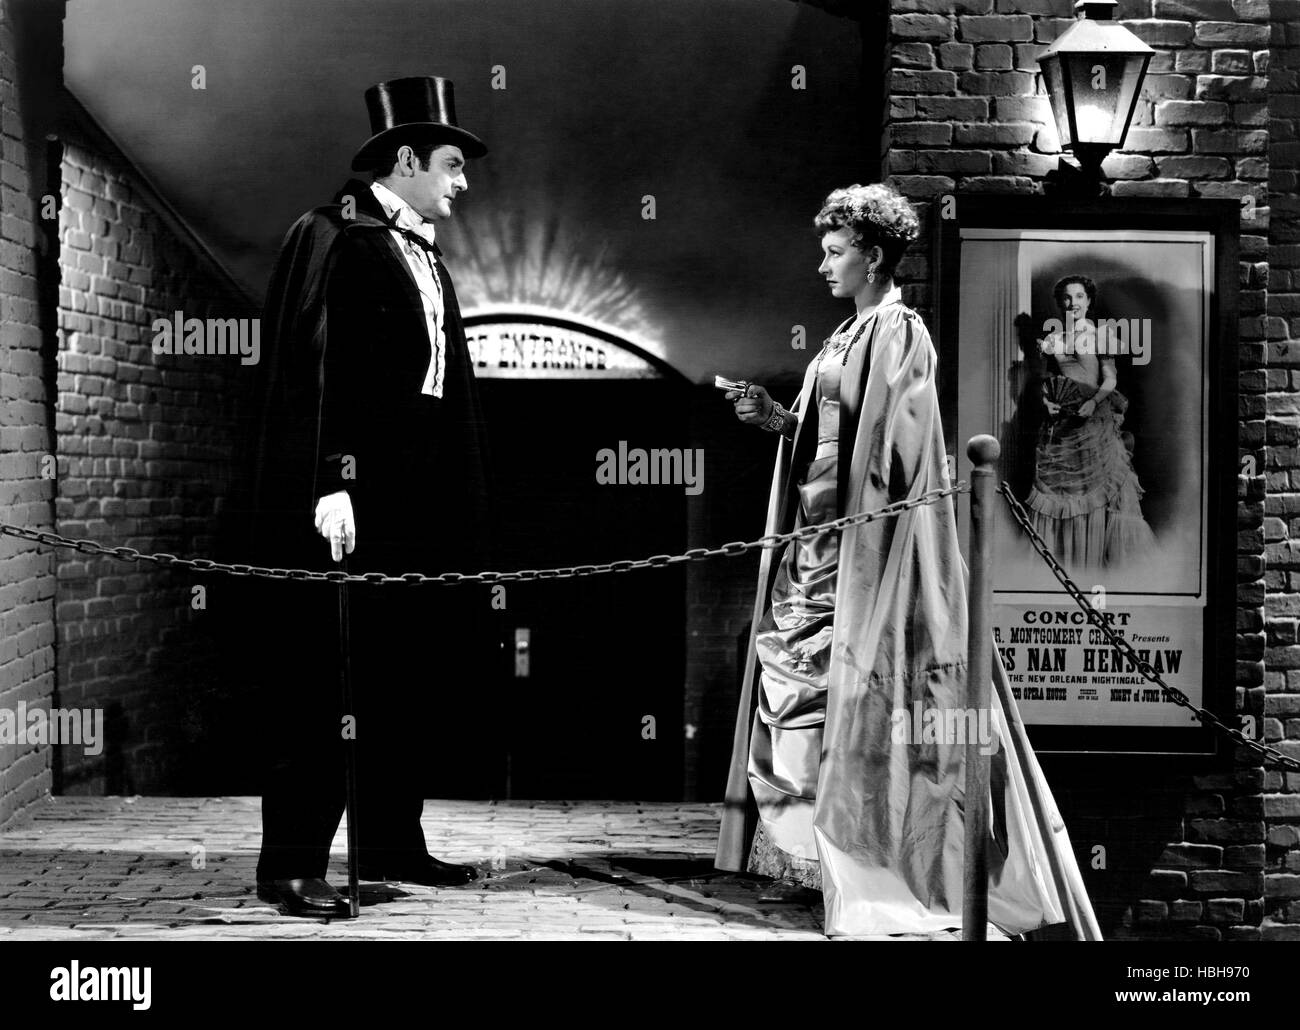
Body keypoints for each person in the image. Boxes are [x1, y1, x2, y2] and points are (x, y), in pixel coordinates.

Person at [715, 183, 1100, 938]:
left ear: (875, 256)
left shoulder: (898, 332)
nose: (823, 265)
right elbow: (832, 438)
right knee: (799, 690)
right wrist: (778, 420)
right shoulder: (843, 335)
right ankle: (815, 851)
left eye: (836, 253)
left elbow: (895, 456)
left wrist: (865, 538)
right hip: (816, 545)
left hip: (864, 550)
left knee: (864, 697)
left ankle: (875, 862)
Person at [245, 76, 492, 917]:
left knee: (400, 673)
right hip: (351, 496)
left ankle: (391, 840)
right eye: (452, 164)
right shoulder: (333, 237)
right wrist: (330, 480)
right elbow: (319, 369)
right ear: (408, 159)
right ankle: (290, 867)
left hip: (416, 504)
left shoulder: (421, 250)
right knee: (322, 678)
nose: (462, 181)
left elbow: (434, 389)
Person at [1027, 275, 1155, 568]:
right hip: (1059, 425)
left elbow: (1110, 379)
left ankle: (1093, 559)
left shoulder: (1100, 335)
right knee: (1061, 493)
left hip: (1092, 420)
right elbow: (1048, 379)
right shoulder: (1053, 340)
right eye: (1068, 298)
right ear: (1061, 302)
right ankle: (1066, 560)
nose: (1073, 303)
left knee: (1096, 491)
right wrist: (1047, 402)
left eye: (1079, 297)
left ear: (1088, 302)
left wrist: (1092, 402)